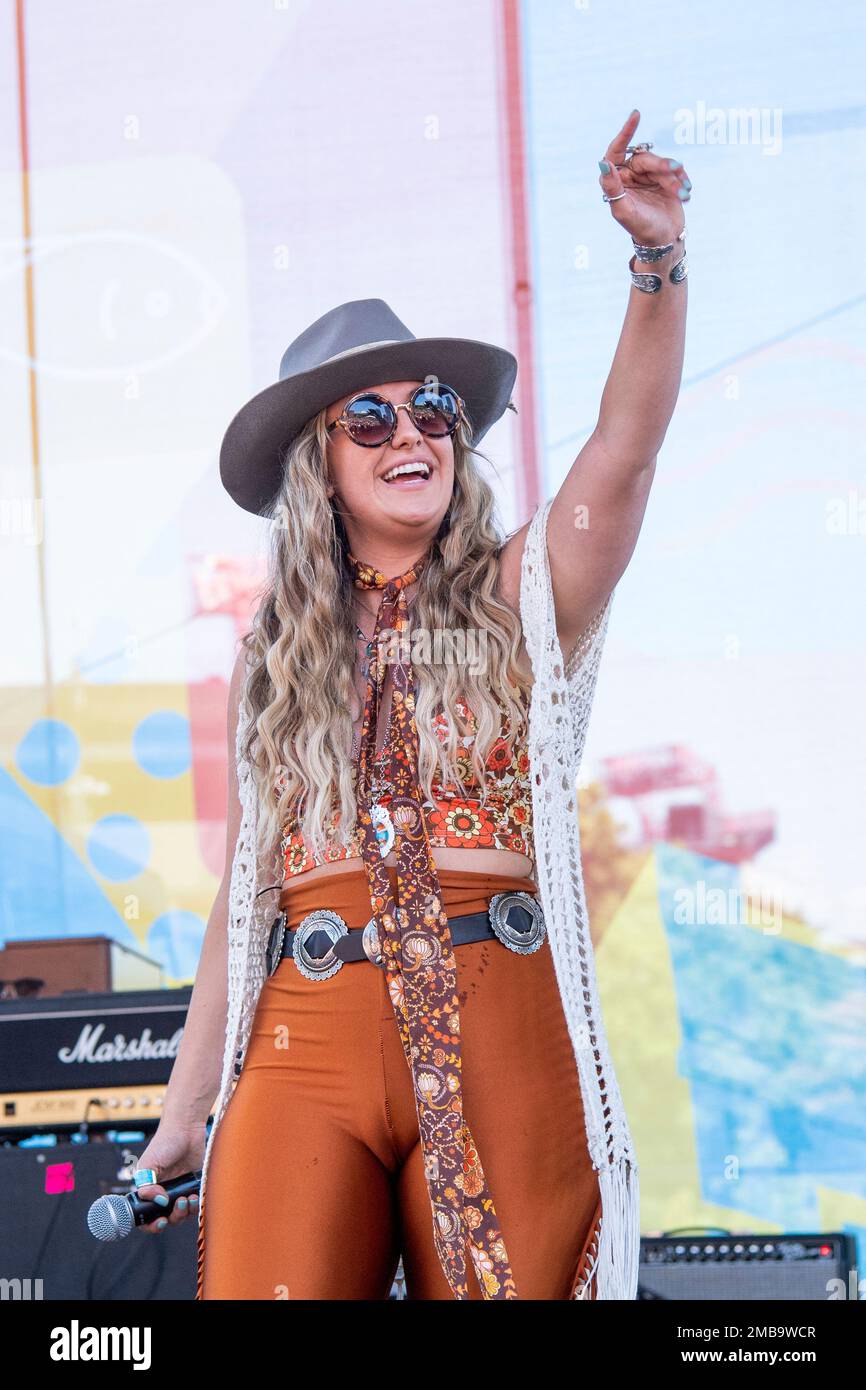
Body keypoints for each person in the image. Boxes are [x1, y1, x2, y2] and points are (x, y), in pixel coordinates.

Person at [131, 110, 690, 1300]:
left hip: (498, 1007)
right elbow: (247, 888)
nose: (410, 433)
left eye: (433, 408)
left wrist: (655, 266)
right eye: (370, 418)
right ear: (316, 466)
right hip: (307, 1023)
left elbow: (626, 451)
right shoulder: (277, 656)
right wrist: (186, 1107)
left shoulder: (521, 596)